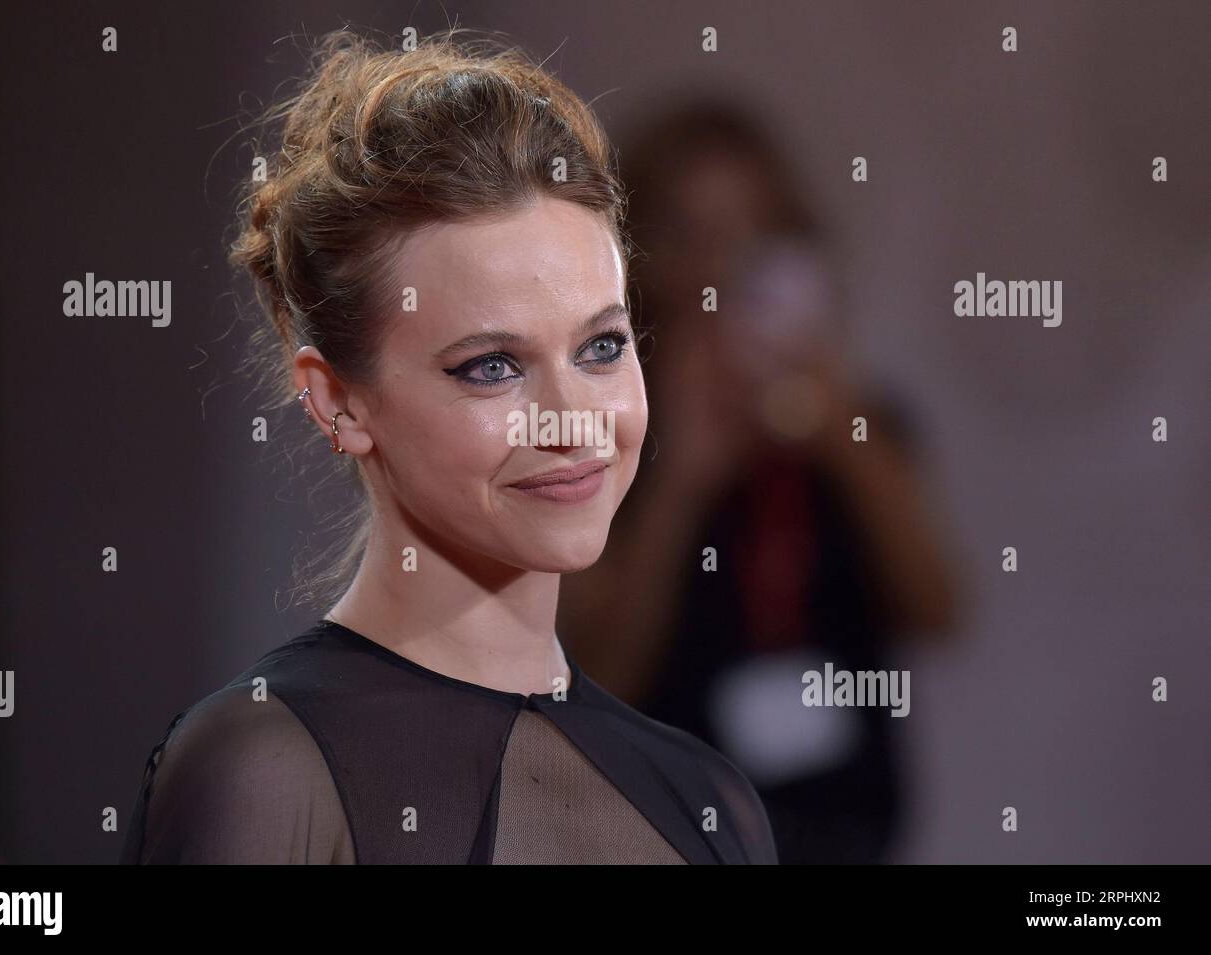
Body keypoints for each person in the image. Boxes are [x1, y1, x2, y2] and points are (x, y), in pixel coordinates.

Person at [119, 28, 778, 865]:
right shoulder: (263, 770)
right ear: (338, 401)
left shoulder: (709, 800)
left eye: (601, 347)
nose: (571, 418)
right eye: (493, 367)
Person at [559, 100, 963, 863]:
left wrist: (842, 434)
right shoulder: (604, 444)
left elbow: (939, 607)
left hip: (848, 834)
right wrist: (680, 478)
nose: (726, 270)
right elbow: (599, 676)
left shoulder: (863, 424)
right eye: (693, 238)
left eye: (757, 231)